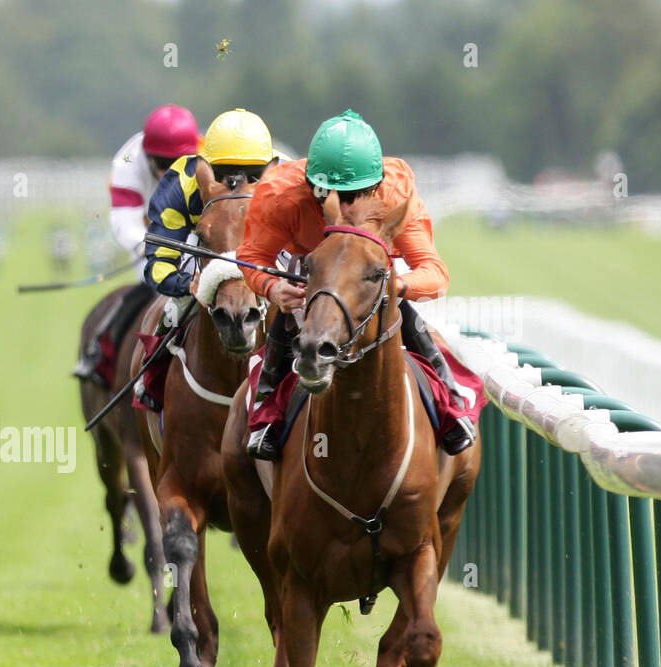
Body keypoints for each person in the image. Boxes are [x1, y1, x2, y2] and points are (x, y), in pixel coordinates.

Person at [237, 109, 477, 460]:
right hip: (310, 276)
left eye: (356, 196)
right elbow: (253, 256)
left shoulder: (394, 195)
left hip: (368, 283)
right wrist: (272, 287)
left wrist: (394, 287)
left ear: (376, 187)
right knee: (284, 326)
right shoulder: (282, 195)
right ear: (312, 185)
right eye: (333, 195)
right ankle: (266, 416)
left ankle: (451, 407)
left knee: (406, 318)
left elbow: (435, 273)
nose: (345, 208)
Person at [134, 108, 278, 411]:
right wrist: (187, 284)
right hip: (206, 250)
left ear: (268, 169)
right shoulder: (182, 183)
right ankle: (152, 376)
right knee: (173, 310)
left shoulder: (286, 181)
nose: (236, 183)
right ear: (207, 166)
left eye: (252, 175)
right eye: (223, 173)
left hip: (268, 249)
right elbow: (159, 263)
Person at [71, 104, 199, 385]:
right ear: (147, 156)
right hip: (148, 237)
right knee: (152, 285)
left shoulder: (205, 156)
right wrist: (152, 249)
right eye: (164, 164)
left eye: (179, 162)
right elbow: (124, 222)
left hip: (193, 236)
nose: (171, 172)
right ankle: (99, 351)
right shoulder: (127, 164)